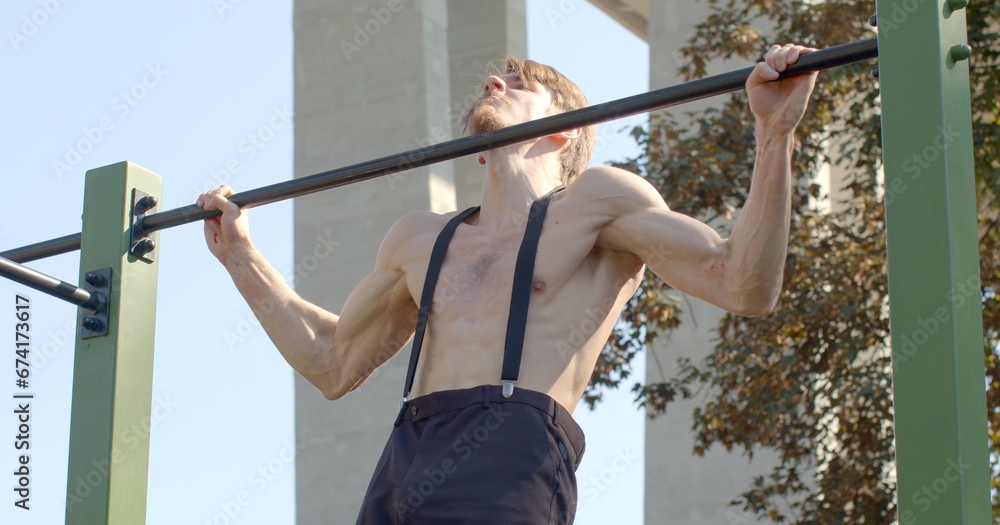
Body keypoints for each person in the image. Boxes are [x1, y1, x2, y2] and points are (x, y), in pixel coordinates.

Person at [197, 43, 818, 524]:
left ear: (563, 129)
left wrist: (774, 132)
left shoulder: (597, 202)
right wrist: (241, 258)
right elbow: (331, 361)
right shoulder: (418, 238)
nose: (496, 82)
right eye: (497, 78)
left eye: (520, 84)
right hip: (406, 460)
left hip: (512, 451)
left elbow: (742, 285)